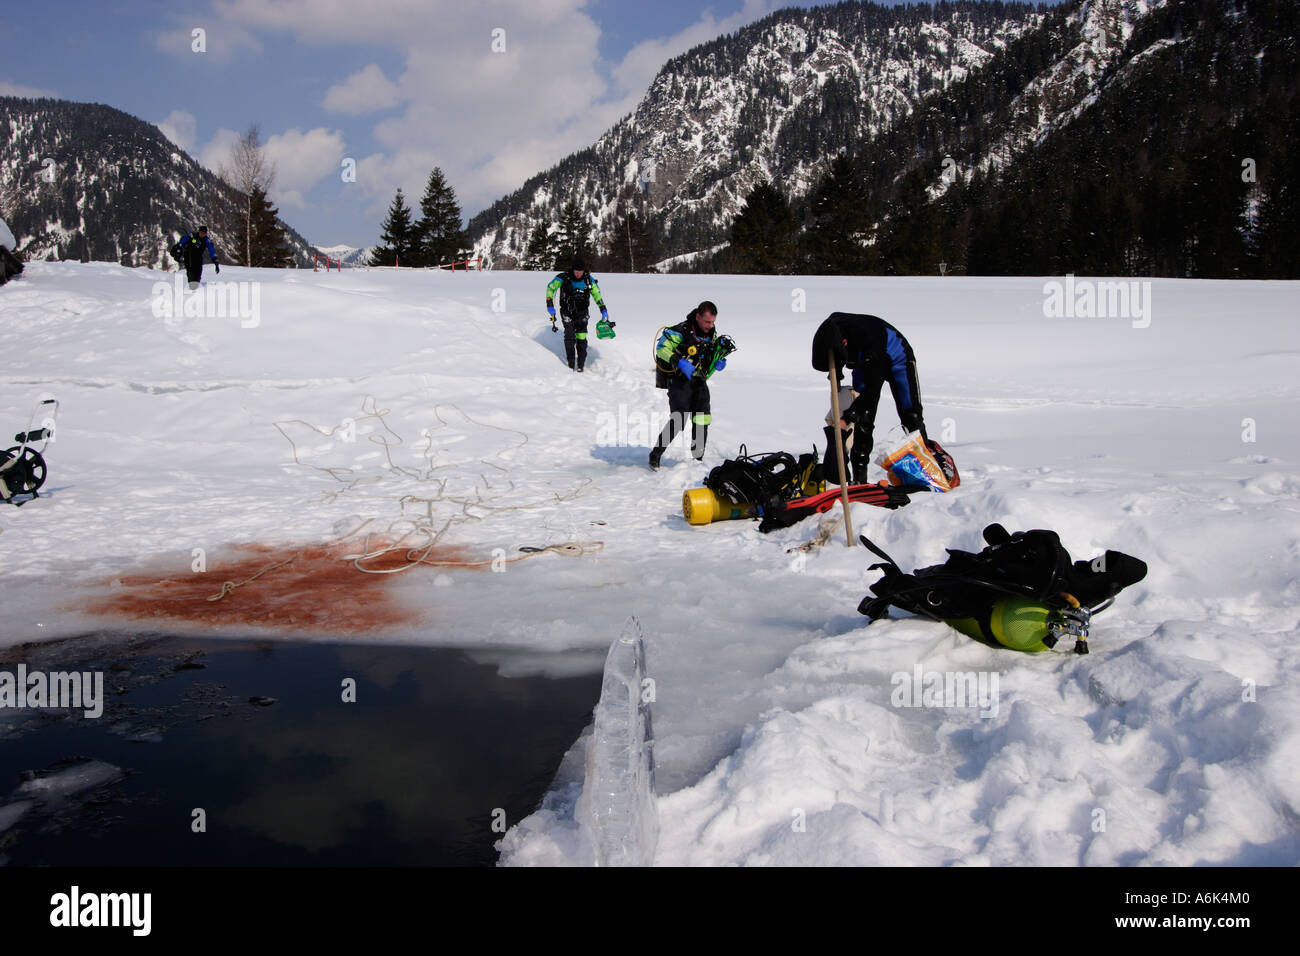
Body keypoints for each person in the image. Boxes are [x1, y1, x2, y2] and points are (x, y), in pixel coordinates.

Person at [811, 312, 928, 484]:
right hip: (863, 362)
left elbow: (871, 395)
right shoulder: (831, 331)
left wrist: (847, 418)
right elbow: (833, 356)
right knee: (863, 422)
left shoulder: (869, 341)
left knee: (911, 415)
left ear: (845, 342)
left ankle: (927, 469)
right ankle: (859, 480)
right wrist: (836, 376)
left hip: (897, 358)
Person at [649, 301, 733, 470]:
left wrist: (718, 362)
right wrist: (679, 362)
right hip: (679, 380)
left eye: (713, 322)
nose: (710, 326)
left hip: (699, 381)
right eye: (707, 322)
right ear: (698, 317)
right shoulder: (680, 331)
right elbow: (661, 349)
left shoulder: (711, 334)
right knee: (679, 419)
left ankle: (697, 459)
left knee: (702, 419)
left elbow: (710, 358)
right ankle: (655, 454)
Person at [545, 257, 609, 372]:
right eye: (576, 270)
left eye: (581, 271)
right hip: (567, 311)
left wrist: (603, 309)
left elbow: (597, 294)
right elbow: (550, 288)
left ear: (584, 270)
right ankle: (570, 364)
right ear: (572, 269)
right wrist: (550, 305)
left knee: (581, 337)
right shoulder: (563, 278)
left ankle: (580, 366)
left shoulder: (589, 280)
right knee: (569, 336)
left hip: (582, 312)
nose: (578, 273)